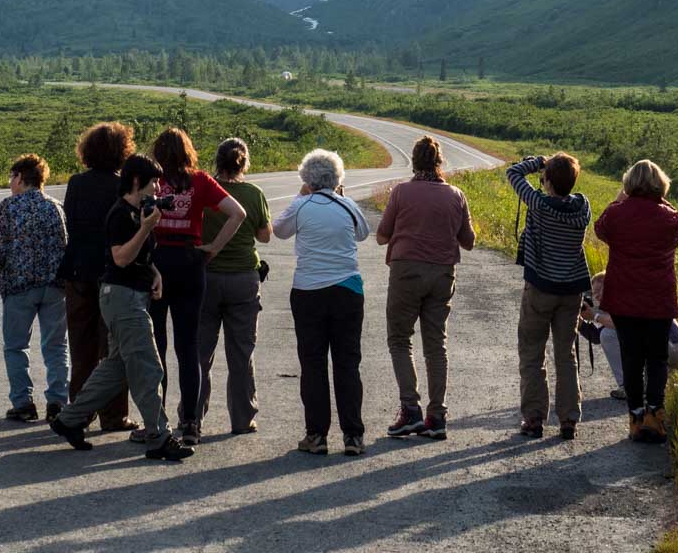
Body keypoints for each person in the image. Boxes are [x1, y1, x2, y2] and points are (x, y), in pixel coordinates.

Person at [49, 155, 193, 461]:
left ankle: (69, 420)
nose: (157, 187)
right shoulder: (120, 214)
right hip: (122, 299)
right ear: (137, 182)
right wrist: (146, 229)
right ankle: (159, 436)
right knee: (147, 366)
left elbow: (139, 258)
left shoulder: (137, 212)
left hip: (129, 294)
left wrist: (154, 273)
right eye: (153, 181)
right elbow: (120, 258)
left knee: (116, 368)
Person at [147, 127, 246, 446]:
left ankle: (156, 419)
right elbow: (237, 213)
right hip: (191, 260)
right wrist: (213, 247)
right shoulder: (200, 181)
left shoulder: (153, 182)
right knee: (188, 346)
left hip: (157, 261)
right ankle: (190, 421)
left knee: (156, 344)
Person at [376, 135, 474, 441]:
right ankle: (437, 416)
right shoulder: (456, 194)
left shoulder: (402, 192)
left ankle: (410, 410)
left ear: (414, 161)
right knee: (436, 345)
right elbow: (468, 241)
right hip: (443, 273)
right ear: (439, 162)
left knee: (400, 339)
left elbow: (381, 236)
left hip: (406, 270)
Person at [273, 148, 370, 457]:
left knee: (313, 364)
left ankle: (316, 435)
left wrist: (302, 195)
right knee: (347, 363)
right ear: (337, 178)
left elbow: (279, 230)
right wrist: (341, 197)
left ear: (306, 178)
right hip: (348, 290)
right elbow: (363, 234)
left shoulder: (301, 205)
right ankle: (353, 435)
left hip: (309, 291)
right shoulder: (348, 205)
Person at [594, 159, 678, 445]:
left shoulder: (618, 215)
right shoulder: (670, 217)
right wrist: (664, 202)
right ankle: (656, 417)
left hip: (624, 299)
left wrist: (619, 200)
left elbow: (600, 228)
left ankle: (636, 418)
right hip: (658, 299)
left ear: (629, 184)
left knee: (631, 358)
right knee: (657, 358)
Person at [507, 152, 591, 440]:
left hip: (541, 286)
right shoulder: (583, 208)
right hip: (572, 290)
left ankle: (534, 418)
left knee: (532, 352)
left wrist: (537, 162)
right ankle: (568, 418)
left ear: (547, 180)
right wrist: (551, 171)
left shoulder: (539, 204)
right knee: (566, 354)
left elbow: (513, 174)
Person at [59, 122, 136, 433]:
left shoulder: (76, 184)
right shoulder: (121, 187)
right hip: (111, 275)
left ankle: (78, 412)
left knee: (81, 348)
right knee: (113, 350)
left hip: (77, 272)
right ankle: (114, 415)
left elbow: (71, 224)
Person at [196, 137, 271, 437]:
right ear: (244, 162)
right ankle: (242, 418)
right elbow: (264, 236)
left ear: (217, 161)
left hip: (207, 276)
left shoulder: (205, 190)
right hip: (243, 278)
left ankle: (193, 416)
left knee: (201, 352)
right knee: (241, 353)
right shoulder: (253, 193)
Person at [0, 154, 69, 422]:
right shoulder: (55, 207)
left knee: (16, 346)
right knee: (56, 346)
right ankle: (57, 401)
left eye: (12, 176)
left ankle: (23, 402)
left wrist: (3, 267)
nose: (10, 182)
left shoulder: (9, 207)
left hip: (19, 284)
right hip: (54, 285)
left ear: (21, 177)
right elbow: (65, 244)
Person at [578, 271, 678, 401]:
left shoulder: (629, 298)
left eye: (598, 292)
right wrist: (579, 323)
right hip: (662, 348)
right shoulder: (615, 304)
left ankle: (630, 387)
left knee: (617, 333)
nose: (596, 298)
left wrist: (595, 316)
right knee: (610, 334)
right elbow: (598, 337)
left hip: (674, 347)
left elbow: (619, 324)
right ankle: (637, 385)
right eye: (594, 294)